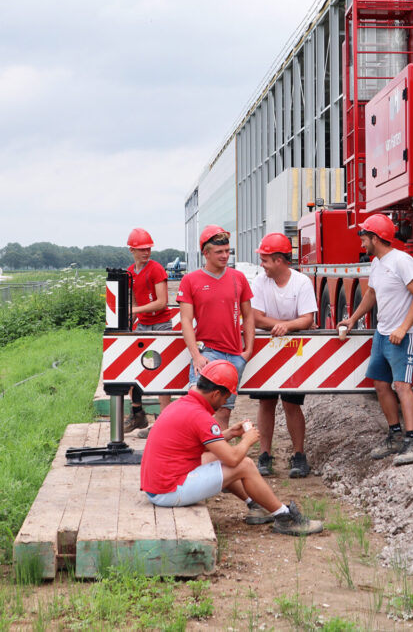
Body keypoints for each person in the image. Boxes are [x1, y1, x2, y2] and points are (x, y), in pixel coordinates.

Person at [139, 360, 323, 536]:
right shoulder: (200, 416)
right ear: (216, 394)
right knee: (244, 465)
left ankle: (256, 506)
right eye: (226, 398)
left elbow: (201, 444)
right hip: (169, 492)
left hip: (158, 486)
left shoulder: (184, 404)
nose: (224, 403)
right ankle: (285, 517)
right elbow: (233, 459)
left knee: (221, 458)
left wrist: (228, 434)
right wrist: (247, 440)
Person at [337, 214, 413, 466]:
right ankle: (395, 435)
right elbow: (372, 294)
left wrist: (403, 328)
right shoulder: (377, 263)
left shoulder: (402, 261)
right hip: (383, 333)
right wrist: (353, 318)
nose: (362, 243)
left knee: (402, 386)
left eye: (364, 238)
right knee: (380, 383)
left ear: (375, 238)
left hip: (403, 335)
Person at [246, 232, 317, 478]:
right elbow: (254, 316)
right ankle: (264, 456)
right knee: (266, 403)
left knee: (291, 403)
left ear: (278, 260)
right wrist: (286, 324)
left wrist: (286, 326)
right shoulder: (259, 282)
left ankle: (299, 455)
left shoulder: (301, 283)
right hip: (266, 350)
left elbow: (308, 318)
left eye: (265, 260)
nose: (262, 265)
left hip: (293, 351)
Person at [176, 225, 255, 430]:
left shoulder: (238, 278)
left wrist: (247, 351)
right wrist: (196, 355)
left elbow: (248, 315)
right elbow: (186, 320)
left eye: (227, 251)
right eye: (219, 252)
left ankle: (217, 459)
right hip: (208, 353)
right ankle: (195, 455)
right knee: (198, 405)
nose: (225, 256)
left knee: (224, 411)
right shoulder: (190, 280)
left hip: (235, 356)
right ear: (206, 253)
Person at [123, 227, 172, 433]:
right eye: (141, 249)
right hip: (143, 323)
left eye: (148, 249)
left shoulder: (156, 269)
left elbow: (162, 302)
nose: (146, 252)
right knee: (135, 368)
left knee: (162, 372)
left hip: (161, 323)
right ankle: (138, 413)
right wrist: (125, 323)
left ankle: (165, 422)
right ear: (132, 250)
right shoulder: (129, 272)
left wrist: (136, 309)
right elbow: (134, 302)